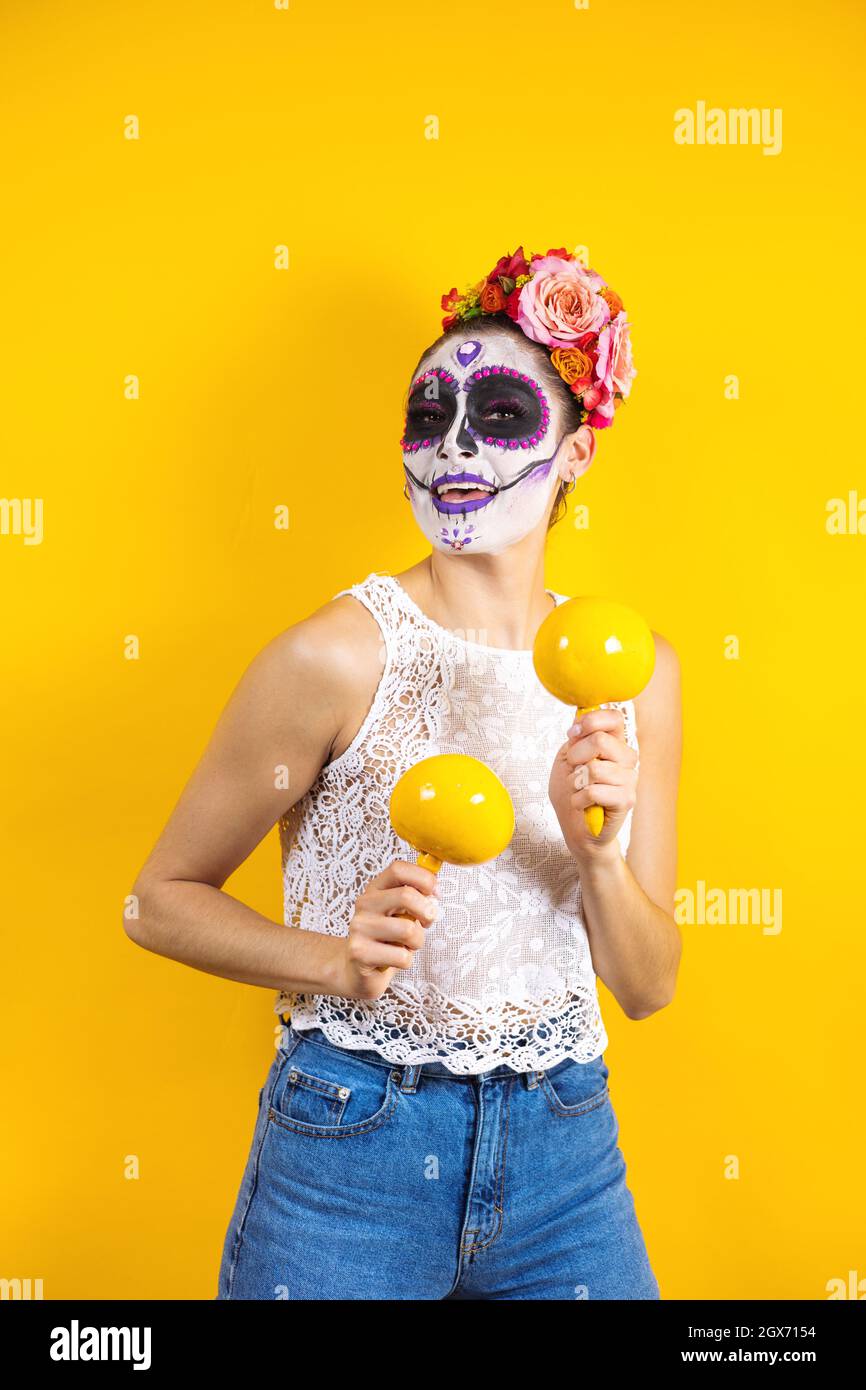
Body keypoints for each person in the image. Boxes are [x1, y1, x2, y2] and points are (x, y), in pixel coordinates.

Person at [126, 244, 683, 1300]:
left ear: (575, 451)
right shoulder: (332, 655)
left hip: (565, 1148)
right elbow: (155, 902)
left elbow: (646, 988)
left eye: (503, 416)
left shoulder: (633, 676)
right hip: (350, 1144)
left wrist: (600, 860)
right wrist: (332, 960)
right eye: (429, 416)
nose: (456, 447)